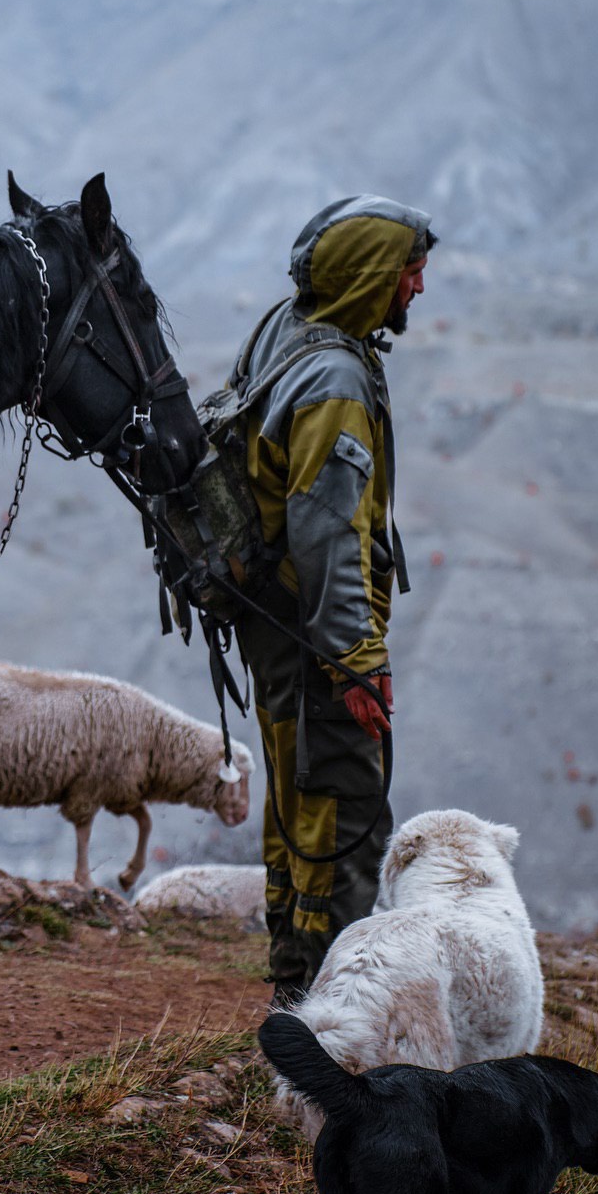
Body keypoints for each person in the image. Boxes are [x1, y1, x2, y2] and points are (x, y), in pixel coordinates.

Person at [232, 195, 435, 1000]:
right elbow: (329, 534)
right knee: (343, 817)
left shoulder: (286, 330)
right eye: (408, 272)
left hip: (273, 626)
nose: (417, 288)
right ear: (366, 277)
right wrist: (359, 663)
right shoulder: (336, 379)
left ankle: (293, 994)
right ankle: (335, 1022)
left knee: (295, 812)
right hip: (318, 640)